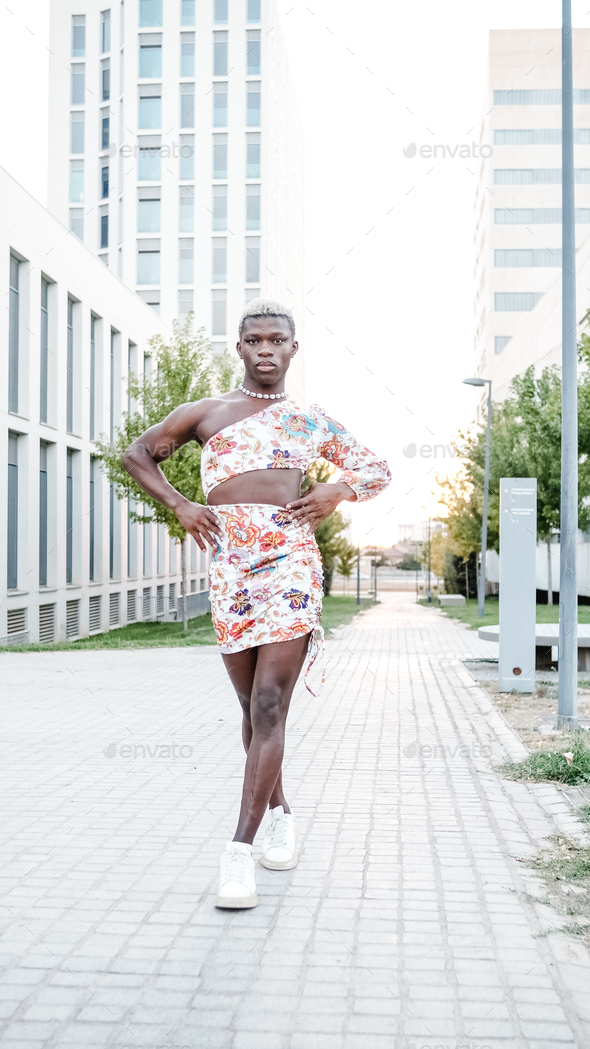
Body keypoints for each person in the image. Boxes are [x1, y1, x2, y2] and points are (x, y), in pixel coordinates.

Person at [123, 299, 391, 909]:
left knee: (271, 703)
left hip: (291, 560)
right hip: (231, 566)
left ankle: (237, 855)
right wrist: (181, 504)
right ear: (240, 348)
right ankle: (282, 816)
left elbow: (376, 469)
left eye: (278, 340)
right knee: (250, 708)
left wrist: (335, 490)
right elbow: (137, 454)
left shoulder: (308, 419)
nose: (266, 349)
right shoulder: (205, 413)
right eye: (255, 340)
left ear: (293, 350)